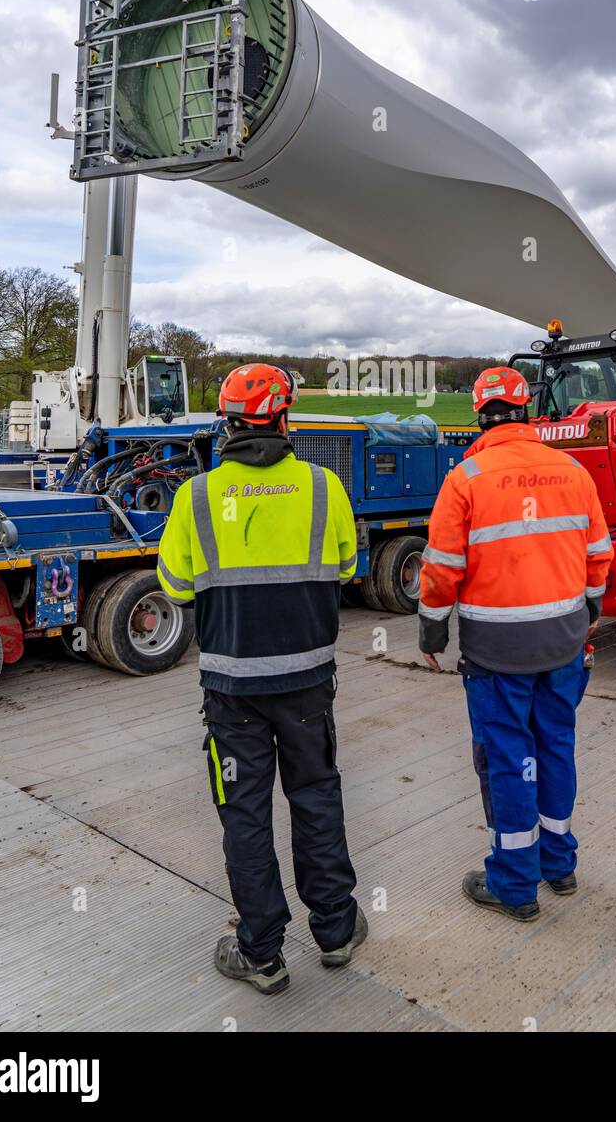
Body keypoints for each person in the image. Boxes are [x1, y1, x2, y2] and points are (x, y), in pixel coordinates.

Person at [157, 362, 367, 993]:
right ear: (283, 418)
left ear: (227, 423)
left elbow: (173, 585)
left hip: (231, 692)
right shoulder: (325, 487)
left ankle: (262, 954)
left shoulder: (195, 497)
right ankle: (335, 932)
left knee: (245, 816)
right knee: (316, 797)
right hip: (308, 685)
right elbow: (349, 568)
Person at [419, 366, 613, 920]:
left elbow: (441, 569)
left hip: (497, 652)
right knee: (555, 747)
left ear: (480, 414)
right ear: (527, 410)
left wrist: (432, 629)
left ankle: (514, 884)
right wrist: (589, 610)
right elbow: (598, 555)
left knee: (508, 760)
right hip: (564, 645)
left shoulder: (467, 477)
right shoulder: (573, 471)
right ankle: (559, 865)